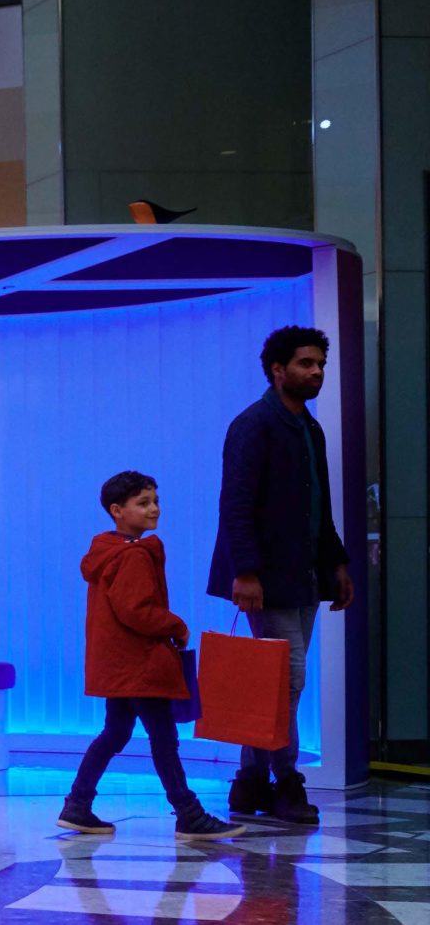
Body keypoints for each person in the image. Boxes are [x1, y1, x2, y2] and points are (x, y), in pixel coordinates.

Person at [208, 325, 354, 826]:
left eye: (320, 364)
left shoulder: (309, 428)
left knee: (277, 684)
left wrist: (337, 564)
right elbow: (235, 504)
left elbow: (320, 507)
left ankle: (249, 782)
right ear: (278, 370)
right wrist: (246, 572)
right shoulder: (254, 424)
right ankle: (286, 784)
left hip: (304, 576)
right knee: (285, 683)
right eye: (306, 364)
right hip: (267, 580)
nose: (316, 372)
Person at [59, 472, 246, 840]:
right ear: (117, 511)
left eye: (155, 501)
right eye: (143, 503)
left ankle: (77, 804)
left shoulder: (108, 551)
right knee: (164, 738)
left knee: (115, 733)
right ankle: (188, 814)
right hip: (140, 663)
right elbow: (137, 611)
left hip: (117, 664)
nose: (154, 509)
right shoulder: (134, 555)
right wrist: (176, 626)